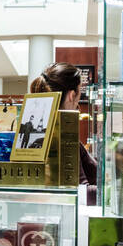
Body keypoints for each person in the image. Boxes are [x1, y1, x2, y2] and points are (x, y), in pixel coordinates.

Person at [28, 62, 99, 201]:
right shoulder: (63, 136)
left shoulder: (43, 130)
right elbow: (79, 191)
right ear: (72, 95)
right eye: (80, 91)